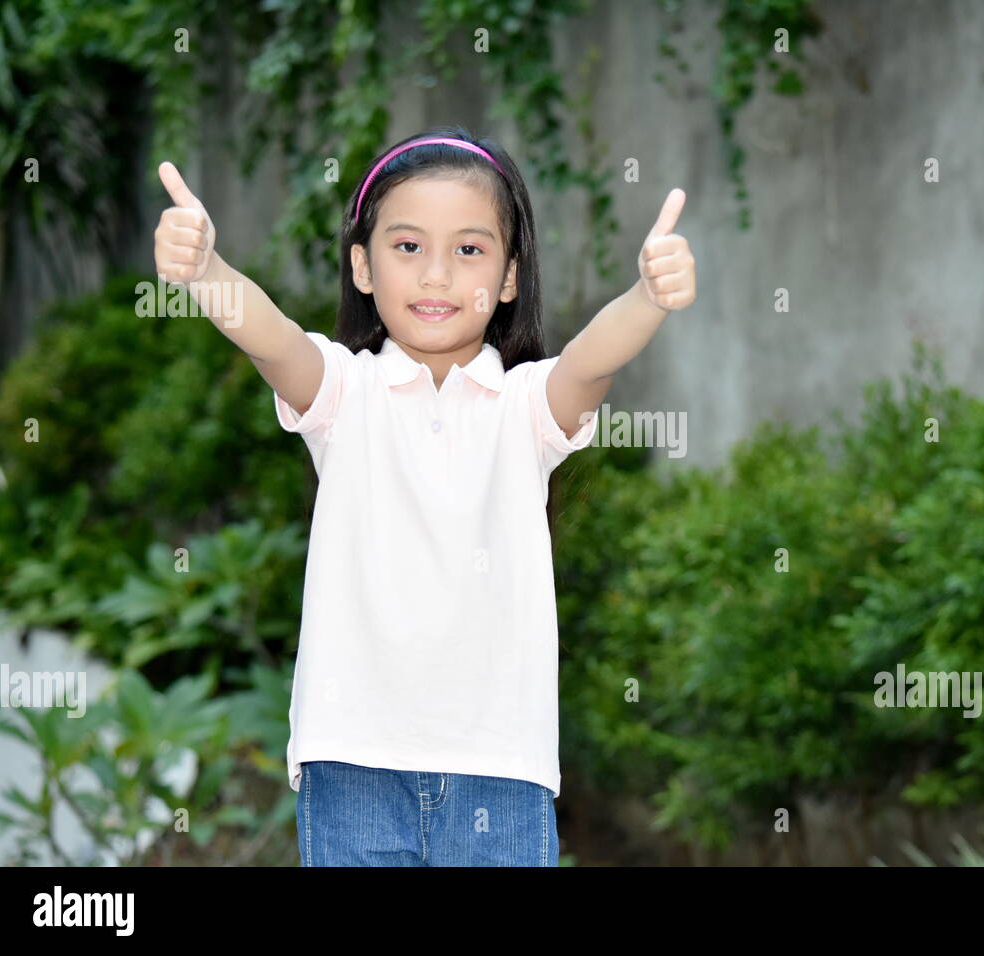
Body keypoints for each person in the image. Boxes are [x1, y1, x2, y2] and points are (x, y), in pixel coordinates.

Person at [152, 123, 696, 866]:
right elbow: (273, 339)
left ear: (508, 277)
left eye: (469, 249)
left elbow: (591, 361)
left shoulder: (526, 408)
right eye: (408, 247)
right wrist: (206, 268)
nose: (437, 274)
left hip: (501, 771)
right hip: (350, 764)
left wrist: (648, 296)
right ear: (363, 266)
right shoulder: (345, 393)